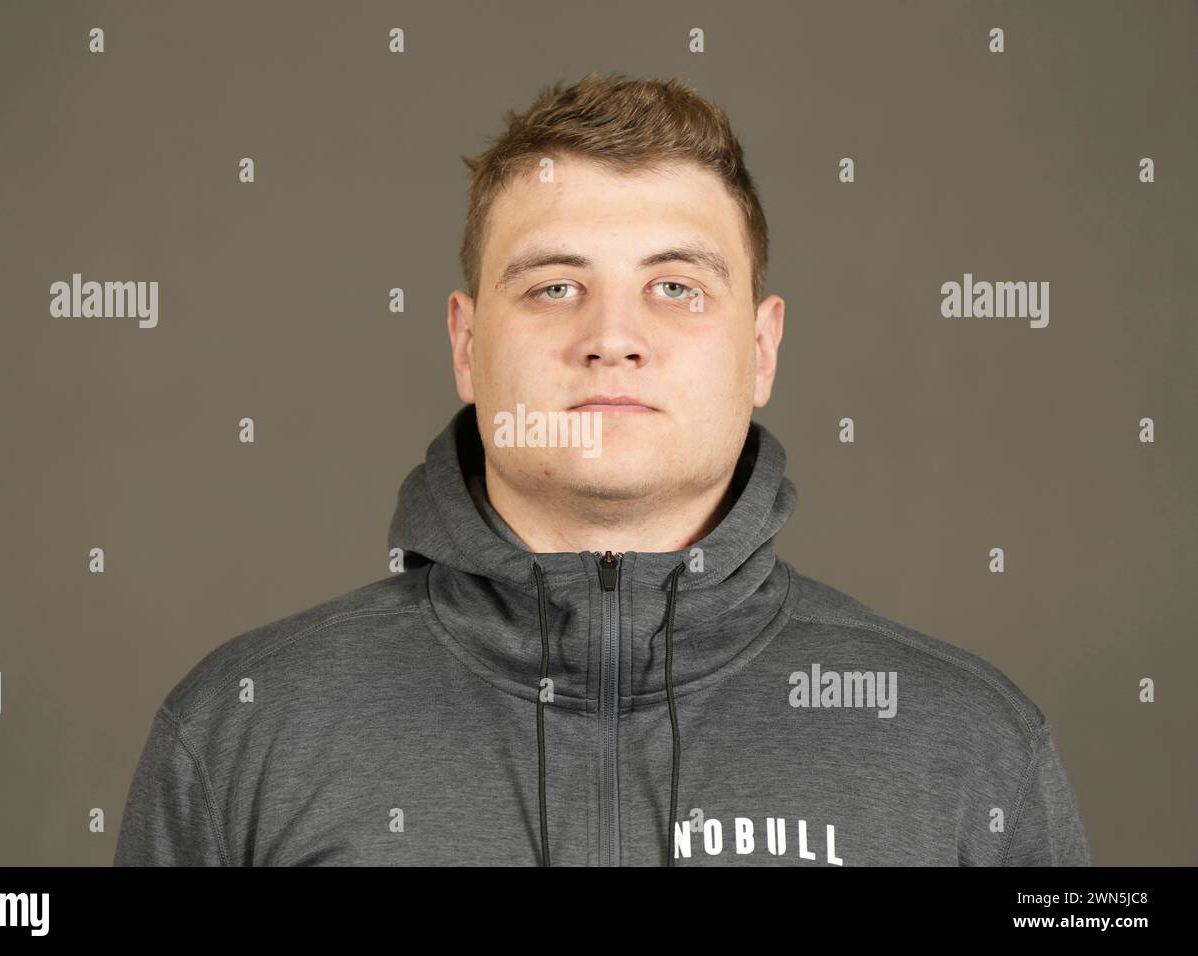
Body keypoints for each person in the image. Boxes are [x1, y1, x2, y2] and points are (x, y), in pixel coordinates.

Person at [113, 71, 1090, 866]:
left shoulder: (969, 750)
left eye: (674, 286)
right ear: (465, 344)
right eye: (553, 285)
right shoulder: (246, 732)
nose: (612, 337)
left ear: (762, 347)